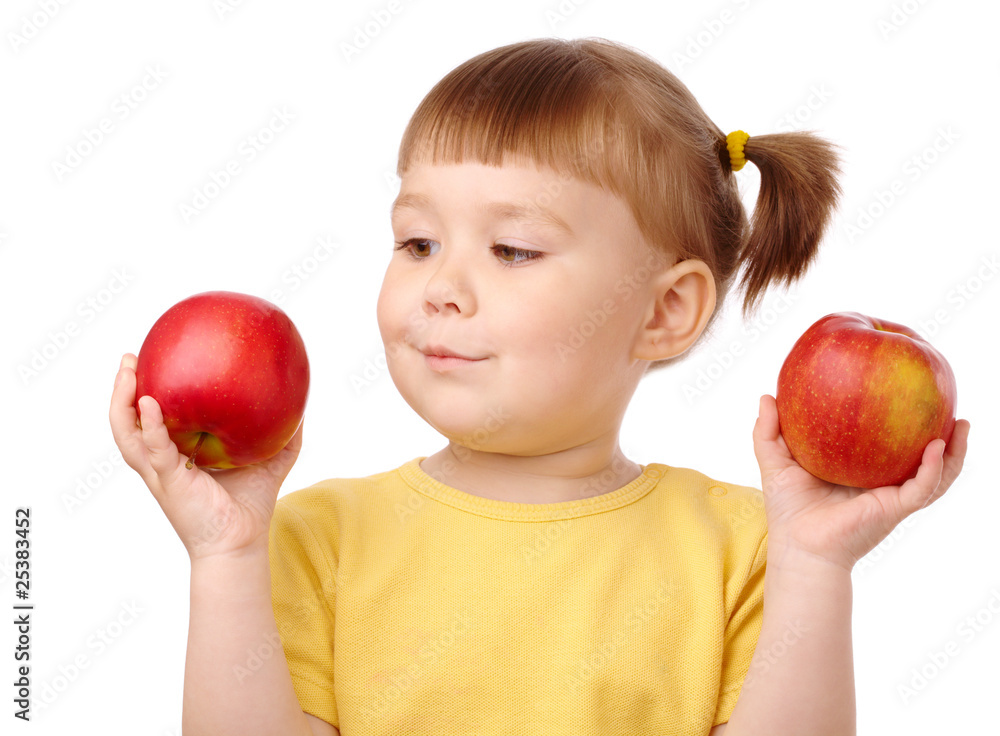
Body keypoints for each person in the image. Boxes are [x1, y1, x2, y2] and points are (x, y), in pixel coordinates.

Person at [108, 37, 970, 736]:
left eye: (513, 249)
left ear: (666, 311)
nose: (440, 285)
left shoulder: (750, 553)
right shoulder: (311, 539)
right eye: (417, 243)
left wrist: (816, 568)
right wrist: (223, 559)